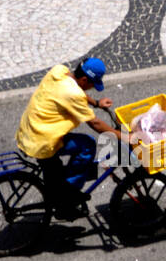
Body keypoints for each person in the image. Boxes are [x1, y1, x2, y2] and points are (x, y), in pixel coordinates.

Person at [15, 57, 130, 219]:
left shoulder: (59, 71)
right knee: (88, 145)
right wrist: (124, 137)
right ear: (84, 80)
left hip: (30, 130)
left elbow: (78, 91)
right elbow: (95, 123)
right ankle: (68, 196)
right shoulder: (73, 94)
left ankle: (62, 185)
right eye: (91, 85)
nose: (91, 89)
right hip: (41, 141)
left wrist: (96, 103)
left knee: (61, 165)